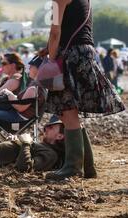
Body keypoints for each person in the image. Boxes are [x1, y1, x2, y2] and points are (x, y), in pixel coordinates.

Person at [42, 0, 124, 180]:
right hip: (84, 53)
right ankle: (88, 167)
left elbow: (55, 31)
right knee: (72, 111)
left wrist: (51, 59)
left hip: (71, 56)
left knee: (67, 110)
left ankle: (73, 167)